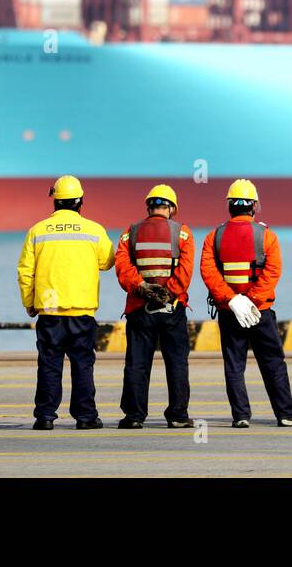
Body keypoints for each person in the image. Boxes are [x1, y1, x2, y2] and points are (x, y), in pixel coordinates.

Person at [199, 179, 292, 428]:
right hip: (260, 312)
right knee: (272, 362)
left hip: (229, 313)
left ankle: (240, 416)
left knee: (234, 365)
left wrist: (233, 300)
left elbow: (208, 272)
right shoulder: (267, 236)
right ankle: (287, 415)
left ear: (230, 206)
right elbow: (272, 273)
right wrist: (251, 301)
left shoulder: (213, 237)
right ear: (254, 206)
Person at [17, 174, 115, 430]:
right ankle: (85, 418)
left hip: (49, 311)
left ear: (55, 201)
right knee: (83, 365)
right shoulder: (94, 230)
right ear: (80, 201)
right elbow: (107, 262)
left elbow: (25, 271)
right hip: (81, 310)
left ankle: (45, 417)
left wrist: (30, 302)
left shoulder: (37, 231)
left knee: (49, 364)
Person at [113, 183, 195, 430]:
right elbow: (186, 270)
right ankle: (178, 416)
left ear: (149, 207)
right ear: (171, 208)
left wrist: (142, 287)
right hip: (173, 308)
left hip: (140, 308)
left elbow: (122, 267)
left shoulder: (131, 232)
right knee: (177, 362)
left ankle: (134, 416)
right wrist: (168, 294)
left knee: (137, 363)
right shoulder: (182, 232)